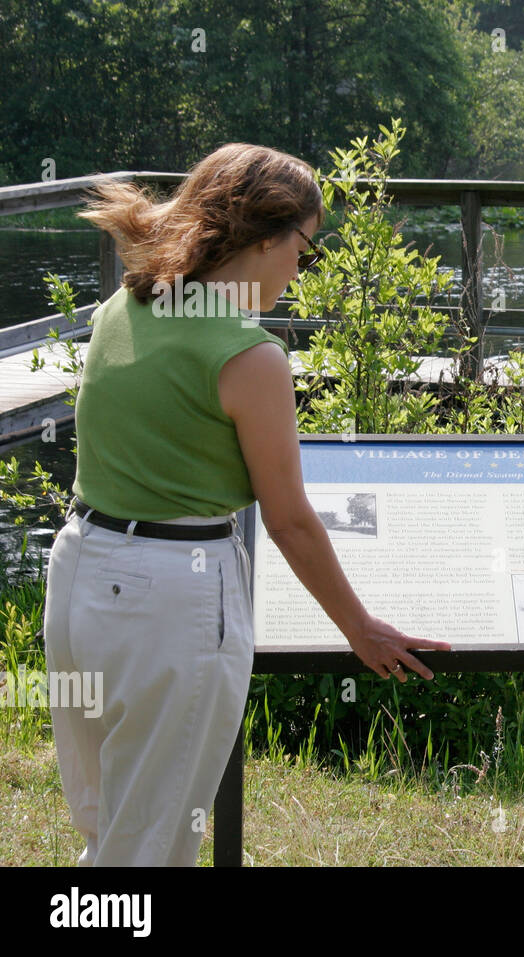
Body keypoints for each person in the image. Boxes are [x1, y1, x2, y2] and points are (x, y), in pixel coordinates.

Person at [41, 143, 450, 867]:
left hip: (78, 573)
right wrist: (362, 629)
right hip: (168, 600)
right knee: (152, 850)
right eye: (305, 247)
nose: (301, 268)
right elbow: (288, 518)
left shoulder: (122, 307)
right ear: (265, 236)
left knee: (110, 833)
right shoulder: (247, 356)